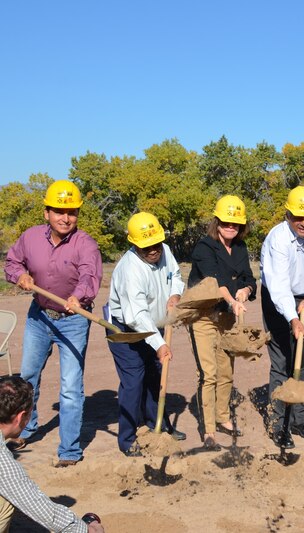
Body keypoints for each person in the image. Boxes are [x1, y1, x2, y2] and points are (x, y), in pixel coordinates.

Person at [3, 180, 102, 467]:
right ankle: (26, 429)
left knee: (71, 386)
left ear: (77, 215)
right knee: (28, 378)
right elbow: (12, 262)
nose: (65, 217)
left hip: (73, 321)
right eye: (59, 211)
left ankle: (69, 451)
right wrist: (18, 276)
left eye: (71, 212)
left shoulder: (86, 244)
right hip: (39, 316)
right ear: (46, 213)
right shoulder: (30, 237)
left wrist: (78, 296)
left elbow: (90, 277)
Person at [107, 212, 187, 456]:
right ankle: (128, 440)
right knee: (133, 383)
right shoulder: (129, 271)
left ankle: (157, 425)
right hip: (127, 331)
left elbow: (176, 275)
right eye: (146, 247)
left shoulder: (164, 249)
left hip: (154, 324)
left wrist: (175, 295)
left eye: (156, 244)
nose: (154, 250)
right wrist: (159, 344)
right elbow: (136, 316)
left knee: (155, 376)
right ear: (133, 244)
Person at [260, 185, 304, 449]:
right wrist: (292, 318)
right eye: (298, 217)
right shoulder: (277, 239)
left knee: (303, 360)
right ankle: (278, 425)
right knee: (281, 362)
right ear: (287, 215)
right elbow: (277, 285)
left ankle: (302, 420)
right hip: (277, 301)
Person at [188, 196, 257, 450]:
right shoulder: (204, 247)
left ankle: (223, 417)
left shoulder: (240, 248)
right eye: (227, 222)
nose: (231, 227)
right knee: (208, 374)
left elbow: (249, 277)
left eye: (236, 223)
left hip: (227, 318)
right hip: (204, 316)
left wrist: (247, 291)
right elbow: (215, 282)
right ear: (217, 221)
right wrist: (232, 300)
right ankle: (208, 430)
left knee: (226, 371)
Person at [0, 376, 104, 532]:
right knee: (8, 501)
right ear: (21, 417)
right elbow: (43, 510)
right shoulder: (4, 465)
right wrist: (86, 530)